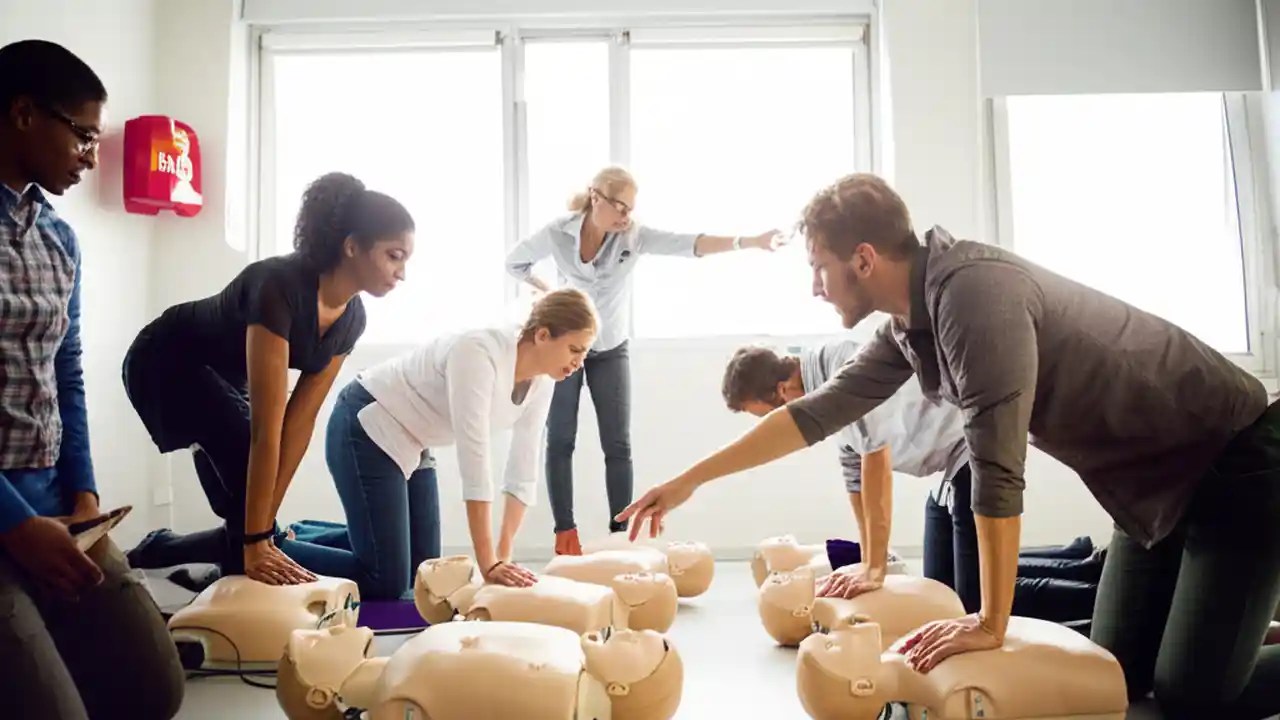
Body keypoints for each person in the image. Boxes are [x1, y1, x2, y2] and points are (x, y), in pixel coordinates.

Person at [619, 173, 1280, 719]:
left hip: (1233, 460)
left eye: (818, 267)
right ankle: (1232, 630)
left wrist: (990, 621)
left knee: (1194, 700)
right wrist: (691, 479)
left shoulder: (975, 297)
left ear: (865, 259)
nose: (814, 286)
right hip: (1147, 489)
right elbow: (820, 413)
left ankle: (1232, 643)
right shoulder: (912, 322)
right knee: (1117, 674)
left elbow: (996, 469)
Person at [0, 39, 184, 720]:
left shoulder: (57, 238)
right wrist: (15, 525)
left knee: (153, 689)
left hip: (54, 508)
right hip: (9, 518)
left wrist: (82, 493)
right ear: (22, 113)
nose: (90, 155)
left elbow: (63, 373)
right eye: (81, 135)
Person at [123, 171, 415, 588]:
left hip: (224, 378)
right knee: (249, 491)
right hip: (167, 361)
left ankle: (178, 555)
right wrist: (257, 538)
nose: (402, 272)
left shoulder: (352, 318)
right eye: (394, 255)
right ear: (352, 247)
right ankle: (213, 563)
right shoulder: (278, 285)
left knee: (249, 513)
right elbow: (267, 428)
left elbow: (300, 421)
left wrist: (262, 534)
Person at [505, 165, 783, 555]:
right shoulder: (557, 232)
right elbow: (514, 263)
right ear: (596, 198)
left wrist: (750, 241)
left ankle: (620, 537)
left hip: (611, 349)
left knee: (617, 443)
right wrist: (550, 294)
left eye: (631, 209)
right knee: (560, 439)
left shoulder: (633, 237)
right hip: (567, 351)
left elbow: (692, 244)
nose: (625, 216)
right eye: (620, 207)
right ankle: (564, 532)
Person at [722, 342, 1104, 625]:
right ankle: (1085, 561)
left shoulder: (841, 367)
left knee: (972, 598)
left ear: (782, 392)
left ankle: (1104, 599)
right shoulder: (820, 391)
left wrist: (875, 567)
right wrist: (867, 559)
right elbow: (854, 475)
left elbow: (875, 464)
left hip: (973, 448)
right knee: (943, 586)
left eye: (771, 413)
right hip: (947, 464)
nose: (779, 421)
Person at [313, 288, 599, 599]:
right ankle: (280, 545)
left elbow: (523, 466)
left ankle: (305, 535)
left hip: (416, 441)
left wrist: (503, 555)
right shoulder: (479, 351)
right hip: (368, 422)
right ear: (543, 335)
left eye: (584, 354)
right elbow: (474, 459)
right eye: (574, 349)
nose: (578, 363)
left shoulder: (543, 381)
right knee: (387, 580)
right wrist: (487, 562)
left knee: (424, 571)